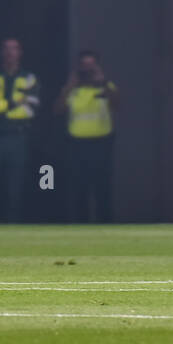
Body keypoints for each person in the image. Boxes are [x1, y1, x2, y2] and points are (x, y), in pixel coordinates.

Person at [0, 38, 39, 223]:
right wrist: (14, 103)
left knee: (15, 189)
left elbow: (29, 111)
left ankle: (14, 232)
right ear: (1, 52)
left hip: (18, 137)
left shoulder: (29, 78)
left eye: (14, 49)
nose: (10, 53)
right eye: (6, 49)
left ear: (20, 52)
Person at [56, 50, 118, 223]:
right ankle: (80, 226)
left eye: (92, 65)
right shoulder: (72, 88)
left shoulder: (106, 86)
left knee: (103, 187)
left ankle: (106, 225)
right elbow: (58, 110)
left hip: (101, 143)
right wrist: (68, 87)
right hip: (77, 144)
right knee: (79, 188)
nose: (88, 69)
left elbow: (117, 104)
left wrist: (103, 82)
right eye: (85, 65)